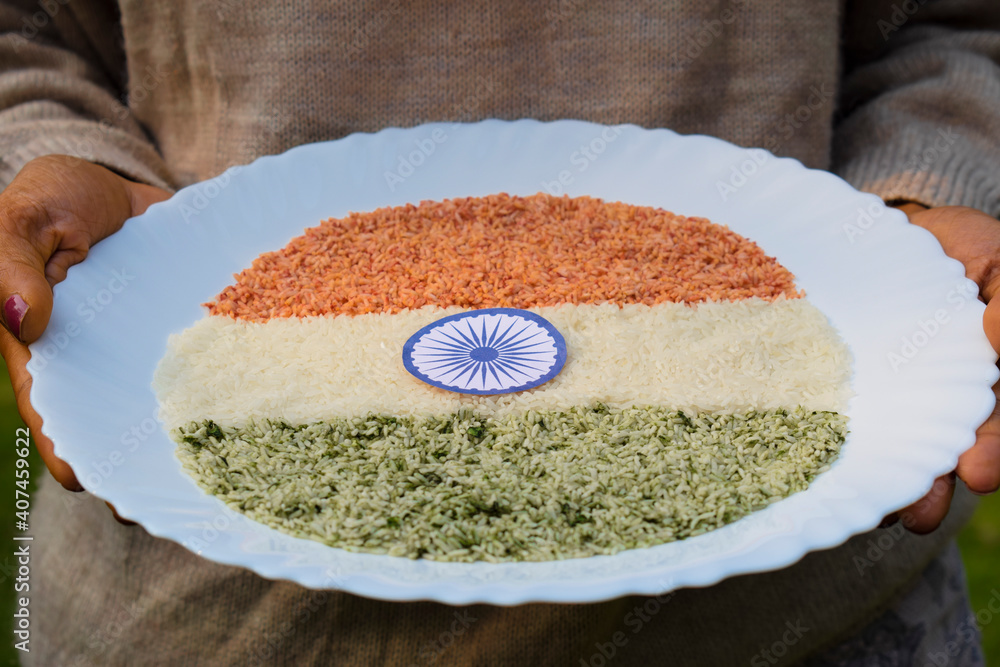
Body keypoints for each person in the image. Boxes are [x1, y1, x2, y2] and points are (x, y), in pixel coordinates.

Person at [1, 1, 998, 665]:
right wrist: (47, 160)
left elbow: (952, 21)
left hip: (808, 610)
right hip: (203, 619)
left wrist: (921, 191)